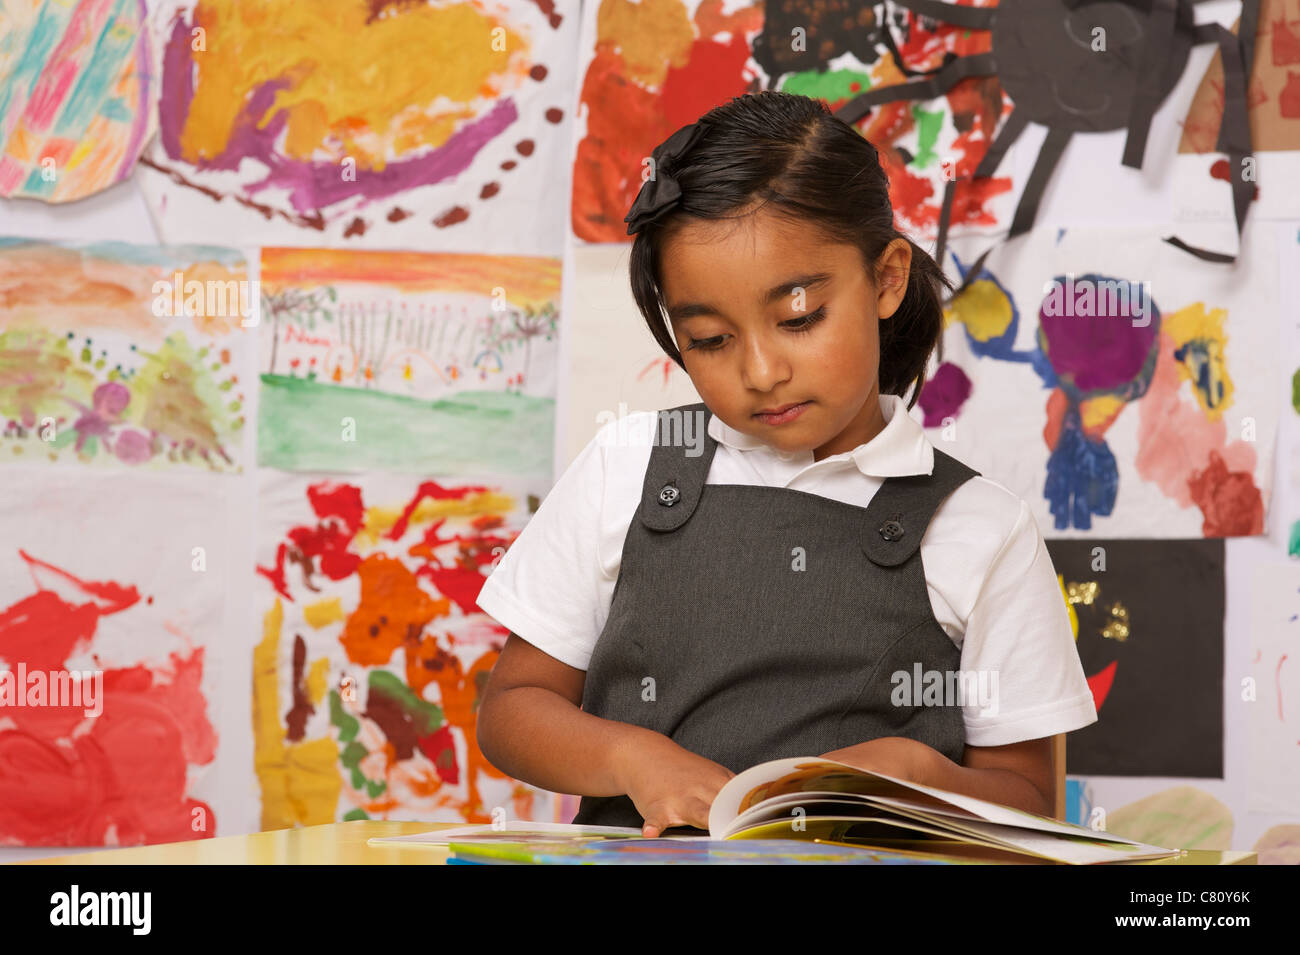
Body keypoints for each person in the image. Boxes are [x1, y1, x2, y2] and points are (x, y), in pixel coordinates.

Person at [475, 91, 1097, 838]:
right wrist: (629, 757)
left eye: (799, 318)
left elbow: (1031, 801)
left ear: (888, 278)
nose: (762, 370)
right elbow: (511, 710)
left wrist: (921, 774)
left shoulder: (982, 528)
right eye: (709, 338)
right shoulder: (627, 466)